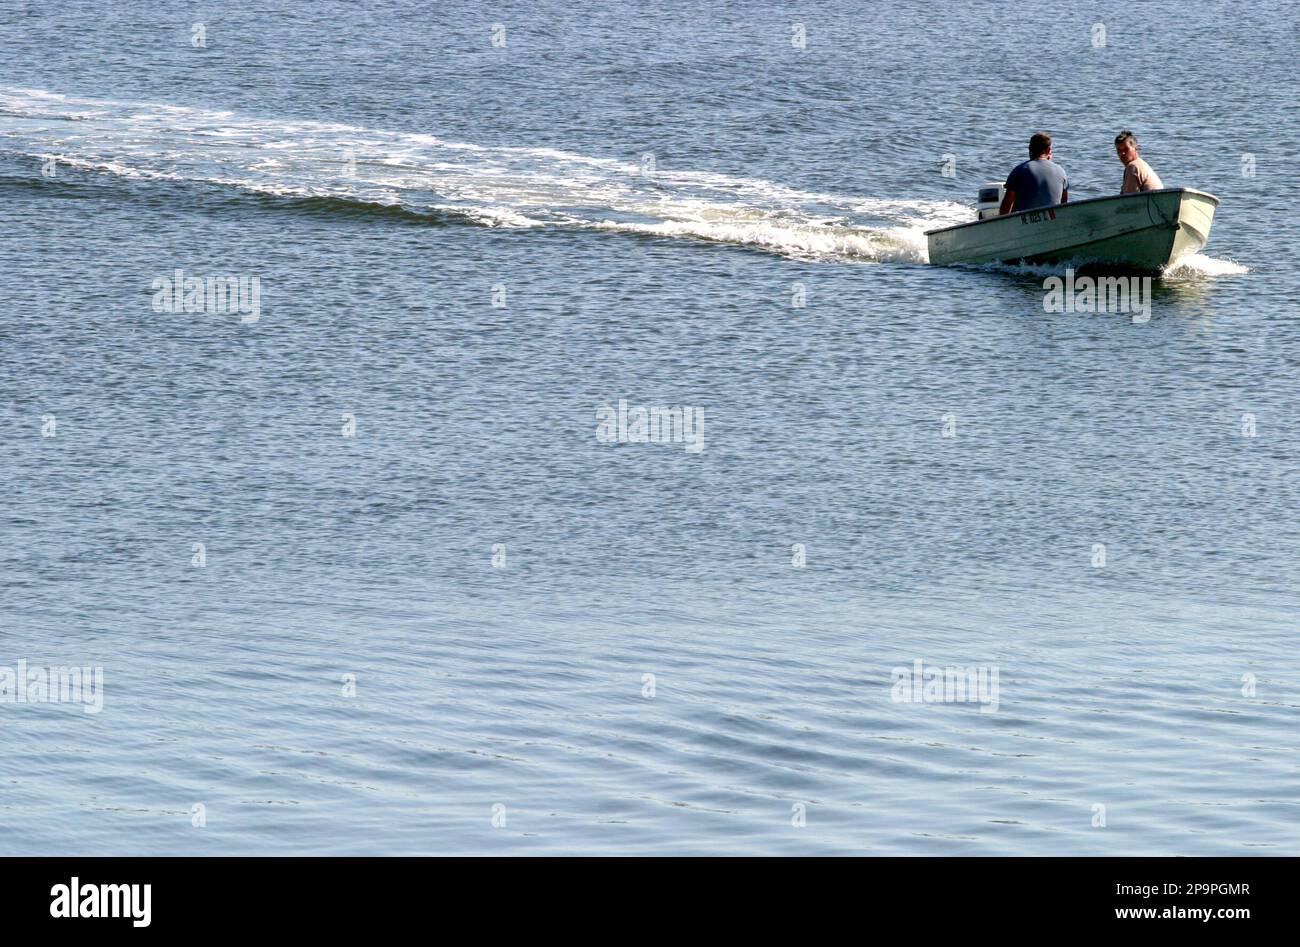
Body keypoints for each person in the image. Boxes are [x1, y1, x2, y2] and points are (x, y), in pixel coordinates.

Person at [999, 132, 1069, 215]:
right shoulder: (1061, 171)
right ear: (1049, 150)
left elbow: (1007, 204)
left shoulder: (1019, 170)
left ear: (1029, 149)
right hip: (1052, 220)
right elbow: (1064, 205)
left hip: (1022, 222)